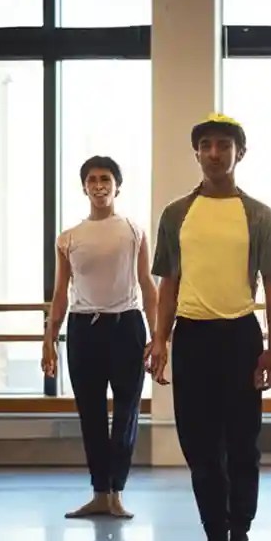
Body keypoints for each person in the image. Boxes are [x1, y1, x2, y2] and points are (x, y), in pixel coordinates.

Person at [146, 113, 271, 541]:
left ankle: (239, 540)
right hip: (191, 335)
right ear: (197, 153)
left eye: (223, 146)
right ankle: (213, 539)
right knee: (200, 443)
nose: (213, 153)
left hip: (241, 335)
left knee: (243, 444)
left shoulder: (259, 215)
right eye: (205, 145)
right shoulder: (177, 214)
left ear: (238, 154)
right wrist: (160, 339)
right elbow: (168, 282)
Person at [43, 155, 157, 519]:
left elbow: (147, 284)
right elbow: (60, 294)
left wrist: (158, 337)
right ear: (84, 187)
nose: (99, 184)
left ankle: (117, 493)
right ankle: (99, 492)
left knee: (126, 412)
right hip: (83, 329)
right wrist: (49, 339)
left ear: (117, 186)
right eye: (92, 179)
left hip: (126, 326)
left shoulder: (133, 230)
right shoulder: (68, 238)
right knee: (90, 414)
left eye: (105, 178)